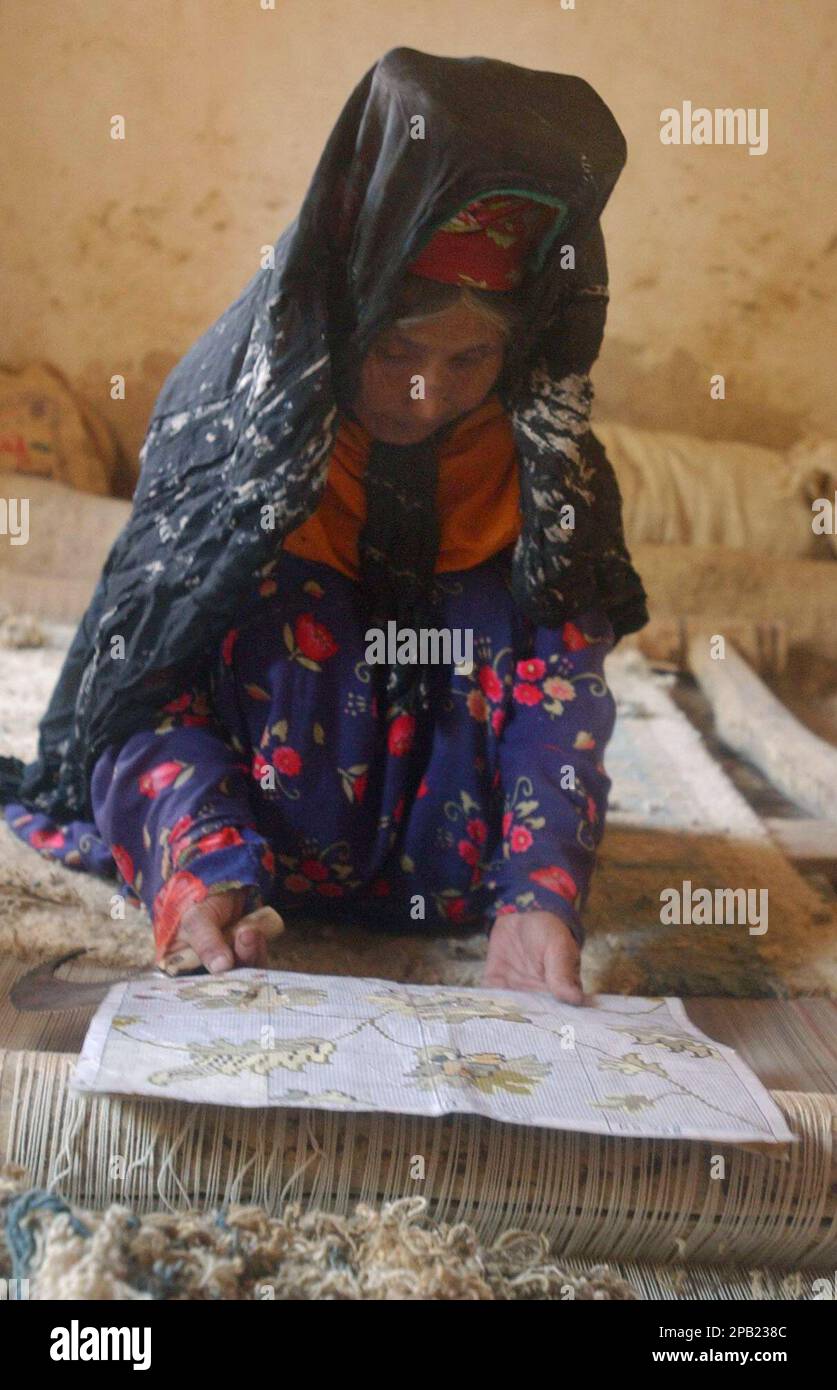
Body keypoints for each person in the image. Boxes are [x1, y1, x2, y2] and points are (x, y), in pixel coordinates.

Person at [0, 48, 647, 1002]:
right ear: (344, 319)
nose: (426, 395)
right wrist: (195, 858)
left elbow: (563, 701)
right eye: (396, 349)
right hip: (242, 840)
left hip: (451, 880)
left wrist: (539, 894)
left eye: (470, 360)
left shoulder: (543, 469)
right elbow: (143, 697)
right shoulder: (240, 426)